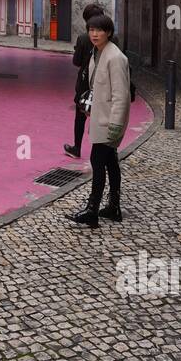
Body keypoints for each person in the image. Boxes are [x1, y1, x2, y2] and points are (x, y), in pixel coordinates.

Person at [69, 12, 131, 229]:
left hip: (109, 122)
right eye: (91, 30)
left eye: (99, 30)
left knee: (97, 161)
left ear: (109, 33)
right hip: (100, 117)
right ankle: (113, 206)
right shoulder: (98, 52)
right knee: (111, 162)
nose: (94, 34)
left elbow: (121, 95)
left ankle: (92, 210)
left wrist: (115, 124)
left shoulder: (115, 58)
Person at [64, 1, 104, 160]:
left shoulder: (83, 38)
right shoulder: (112, 37)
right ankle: (102, 149)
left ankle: (77, 147)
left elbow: (76, 62)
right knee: (102, 117)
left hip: (85, 83)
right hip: (104, 82)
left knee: (80, 117)